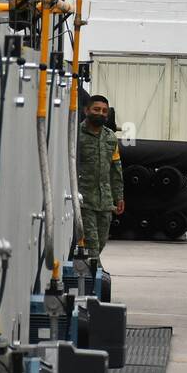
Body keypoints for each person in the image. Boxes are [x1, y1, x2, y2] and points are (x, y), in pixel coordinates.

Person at [76, 94, 125, 258]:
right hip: (84, 201)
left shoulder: (110, 137)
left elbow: (115, 169)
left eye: (104, 111)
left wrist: (119, 197)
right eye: (96, 109)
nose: (101, 113)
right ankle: (92, 278)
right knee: (92, 247)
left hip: (105, 202)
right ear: (86, 110)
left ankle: (89, 272)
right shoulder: (76, 135)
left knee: (101, 242)